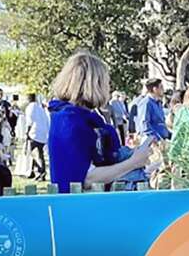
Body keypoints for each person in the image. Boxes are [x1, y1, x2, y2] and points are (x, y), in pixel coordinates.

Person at [48, 52, 153, 192]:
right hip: (81, 207)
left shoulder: (86, 119)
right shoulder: (69, 121)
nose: (107, 87)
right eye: (105, 82)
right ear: (93, 84)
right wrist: (133, 162)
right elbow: (86, 178)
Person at [133, 79, 171, 145]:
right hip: (152, 142)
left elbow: (161, 123)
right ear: (154, 89)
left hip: (163, 140)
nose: (163, 90)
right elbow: (144, 125)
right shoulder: (146, 103)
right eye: (161, 87)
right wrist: (156, 139)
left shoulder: (158, 103)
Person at [23, 92, 50, 180]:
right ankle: (38, 172)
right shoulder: (40, 108)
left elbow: (29, 121)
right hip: (42, 134)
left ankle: (38, 171)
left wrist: (27, 132)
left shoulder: (30, 108)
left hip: (34, 134)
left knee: (34, 154)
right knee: (40, 154)